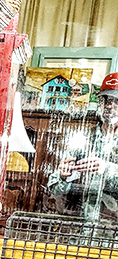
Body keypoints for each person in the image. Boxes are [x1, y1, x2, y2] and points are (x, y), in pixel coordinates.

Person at [47, 72, 118, 221]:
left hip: (112, 234)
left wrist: (107, 170)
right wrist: (63, 177)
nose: (109, 106)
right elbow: (53, 189)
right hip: (77, 229)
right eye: (105, 100)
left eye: (116, 101)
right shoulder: (83, 139)